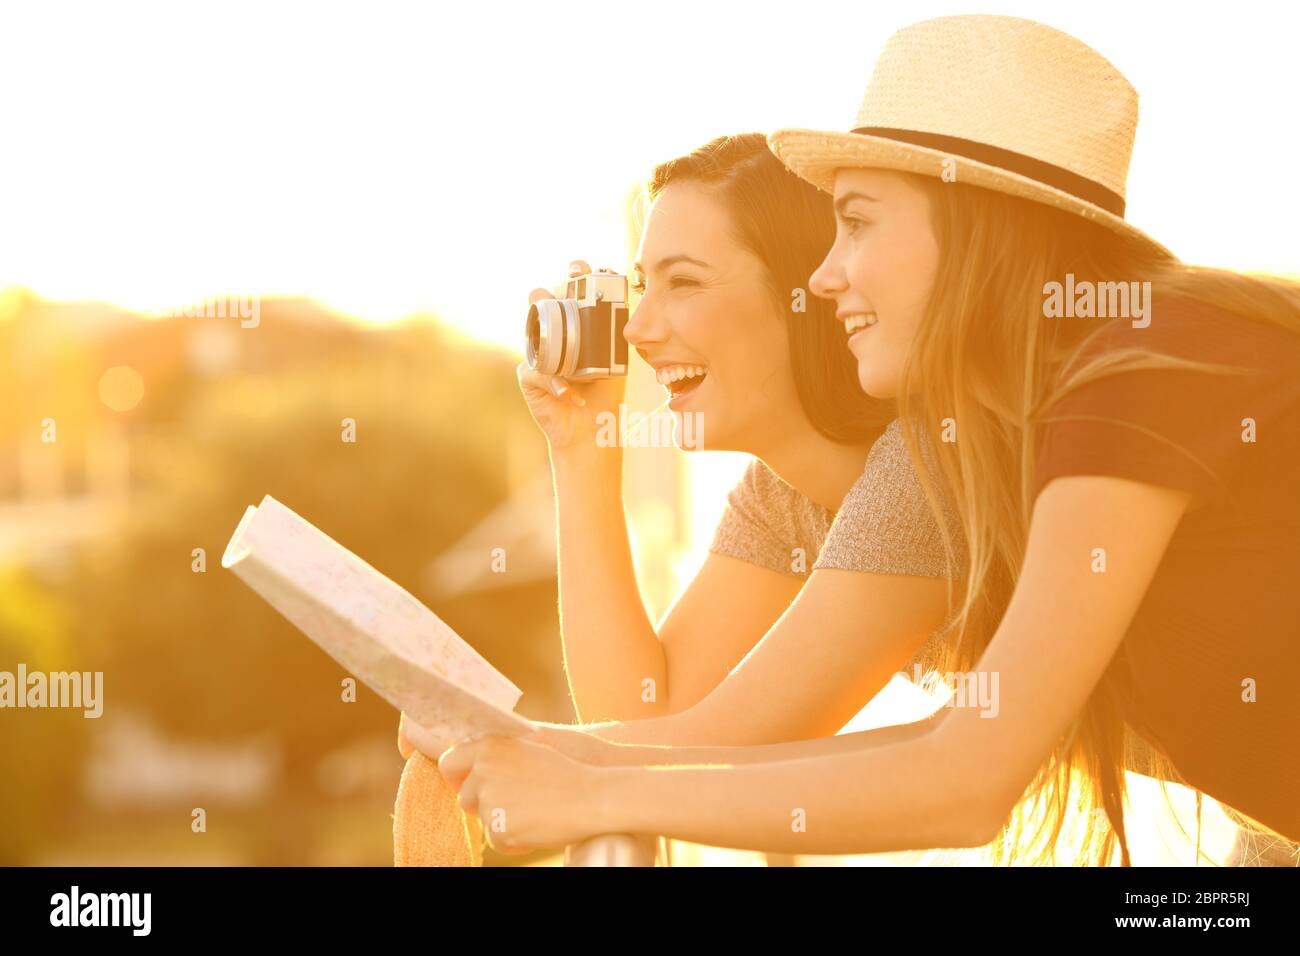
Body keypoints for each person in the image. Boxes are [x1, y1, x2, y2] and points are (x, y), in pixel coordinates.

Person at [432, 14, 1300, 866]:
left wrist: (588, 784)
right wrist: (537, 751)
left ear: (973, 226)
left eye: (855, 222)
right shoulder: (1024, 434)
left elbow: (963, 780)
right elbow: (707, 731)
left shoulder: (1137, 369)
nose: (826, 272)